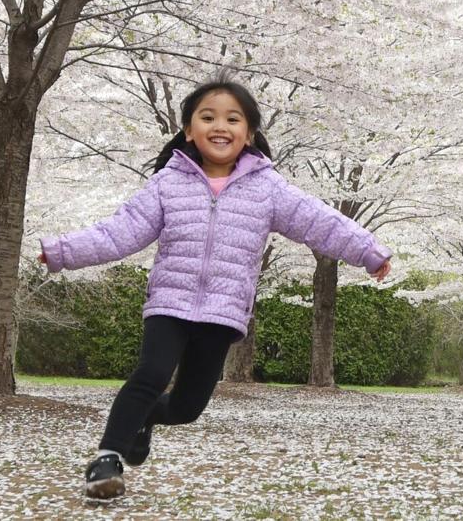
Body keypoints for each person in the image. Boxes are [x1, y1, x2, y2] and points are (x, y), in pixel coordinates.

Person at [37, 74, 393, 501]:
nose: (219, 126)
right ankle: (107, 459)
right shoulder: (168, 184)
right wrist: (63, 251)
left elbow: (318, 221)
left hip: (222, 311)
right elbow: (120, 232)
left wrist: (368, 251)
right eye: (207, 117)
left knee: (187, 408)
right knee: (151, 372)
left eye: (232, 119)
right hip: (170, 301)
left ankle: (144, 418)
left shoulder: (268, 189)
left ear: (249, 133)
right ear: (189, 129)